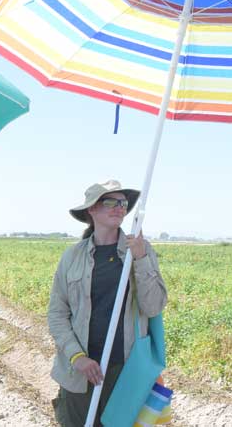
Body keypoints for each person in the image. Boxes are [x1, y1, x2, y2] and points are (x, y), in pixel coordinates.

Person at [48, 180, 167, 427]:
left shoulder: (139, 250)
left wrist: (141, 258)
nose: (119, 207)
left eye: (123, 203)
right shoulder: (72, 256)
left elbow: (153, 307)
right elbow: (57, 314)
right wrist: (77, 357)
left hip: (125, 371)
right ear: (91, 209)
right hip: (79, 371)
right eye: (110, 202)